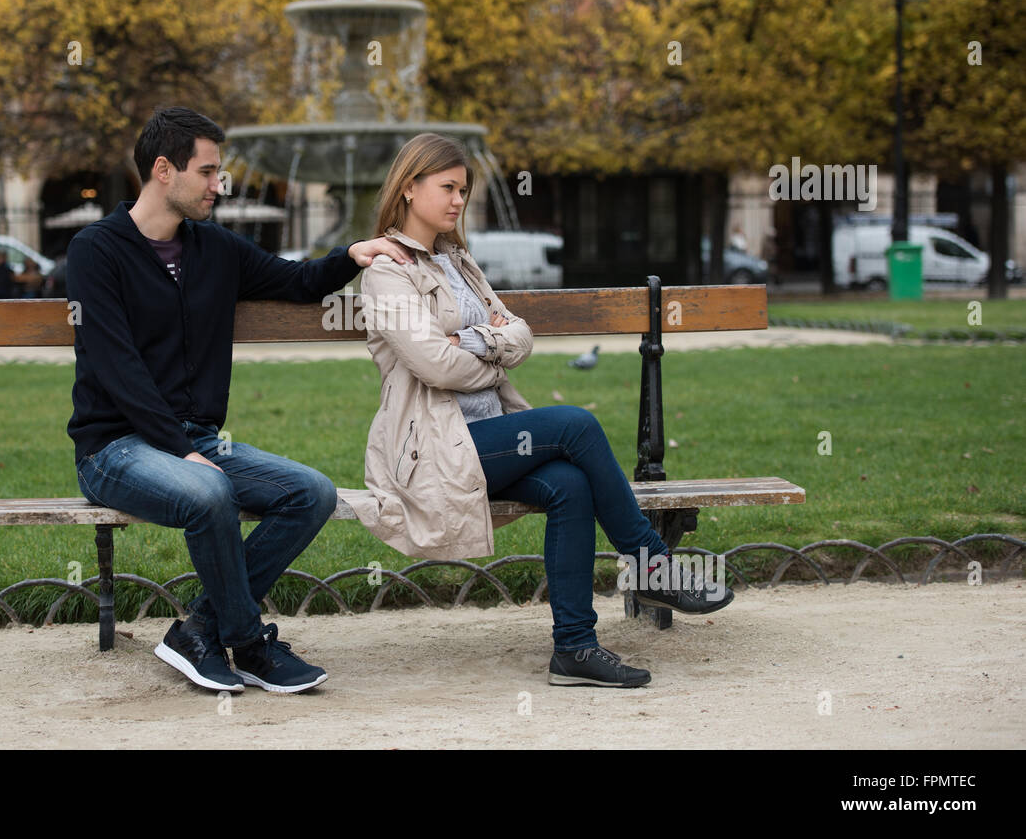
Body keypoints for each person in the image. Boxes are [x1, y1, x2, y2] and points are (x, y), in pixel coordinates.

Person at [351, 133, 733, 689]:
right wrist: (491, 349)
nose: (459, 200)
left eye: (464, 189)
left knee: (570, 486)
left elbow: (521, 337)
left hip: (493, 437)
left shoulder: (459, 261)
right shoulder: (387, 272)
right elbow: (435, 364)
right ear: (409, 188)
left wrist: (475, 344)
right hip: (438, 447)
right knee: (576, 423)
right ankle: (652, 563)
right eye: (447, 187)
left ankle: (574, 649)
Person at [68, 106, 408, 694]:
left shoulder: (215, 249)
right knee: (209, 490)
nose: (218, 185)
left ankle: (199, 630)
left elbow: (295, 281)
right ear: (163, 169)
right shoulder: (96, 251)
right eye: (207, 172)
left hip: (195, 441)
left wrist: (352, 254)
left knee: (311, 493)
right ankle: (249, 644)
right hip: (114, 447)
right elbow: (116, 367)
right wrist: (179, 450)